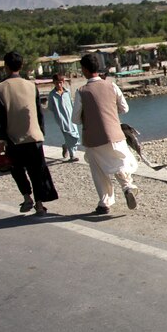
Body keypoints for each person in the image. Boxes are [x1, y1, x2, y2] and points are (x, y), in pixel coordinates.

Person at [72, 53, 140, 215]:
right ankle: (128, 187)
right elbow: (124, 108)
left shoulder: (81, 91)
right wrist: (108, 111)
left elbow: (75, 119)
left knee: (99, 171)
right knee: (118, 164)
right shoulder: (112, 86)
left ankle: (105, 202)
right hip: (116, 134)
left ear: (85, 70)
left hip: (94, 138)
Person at [0, 51, 58, 216]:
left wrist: (0, 139)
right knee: (37, 171)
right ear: (21, 66)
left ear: (6, 67)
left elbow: (2, 117)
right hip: (34, 135)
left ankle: (27, 196)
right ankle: (40, 204)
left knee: (17, 170)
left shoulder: (0, 88)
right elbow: (38, 112)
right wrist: (41, 132)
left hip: (13, 137)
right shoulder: (31, 85)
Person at [46, 73, 80, 161]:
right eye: (57, 83)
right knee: (68, 136)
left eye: (60, 82)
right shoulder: (52, 95)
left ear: (63, 82)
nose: (59, 85)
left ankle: (65, 146)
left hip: (71, 117)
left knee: (76, 136)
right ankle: (72, 155)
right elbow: (50, 107)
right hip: (62, 119)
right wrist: (58, 115)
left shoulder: (67, 92)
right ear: (54, 83)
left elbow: (72, 104)